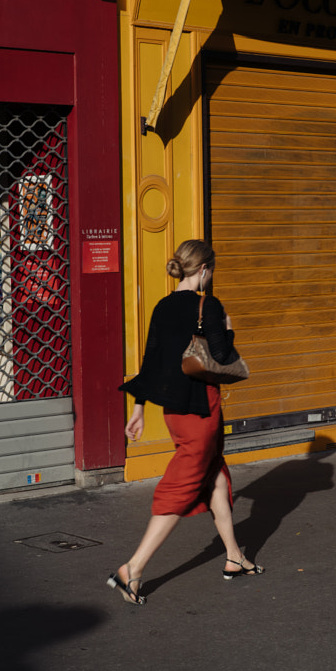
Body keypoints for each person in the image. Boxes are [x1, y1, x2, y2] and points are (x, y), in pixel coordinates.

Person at [108, 239, 263, 606]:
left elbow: (151, 361)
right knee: (181, 488)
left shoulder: (162, 306)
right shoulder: (208, 305)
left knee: (215, 476)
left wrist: (139, 407)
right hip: (200, 412)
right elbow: (222, 355)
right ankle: (133, 567)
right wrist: (227, 329)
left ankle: (234, 556)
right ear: (205, 270)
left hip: (174, 412)